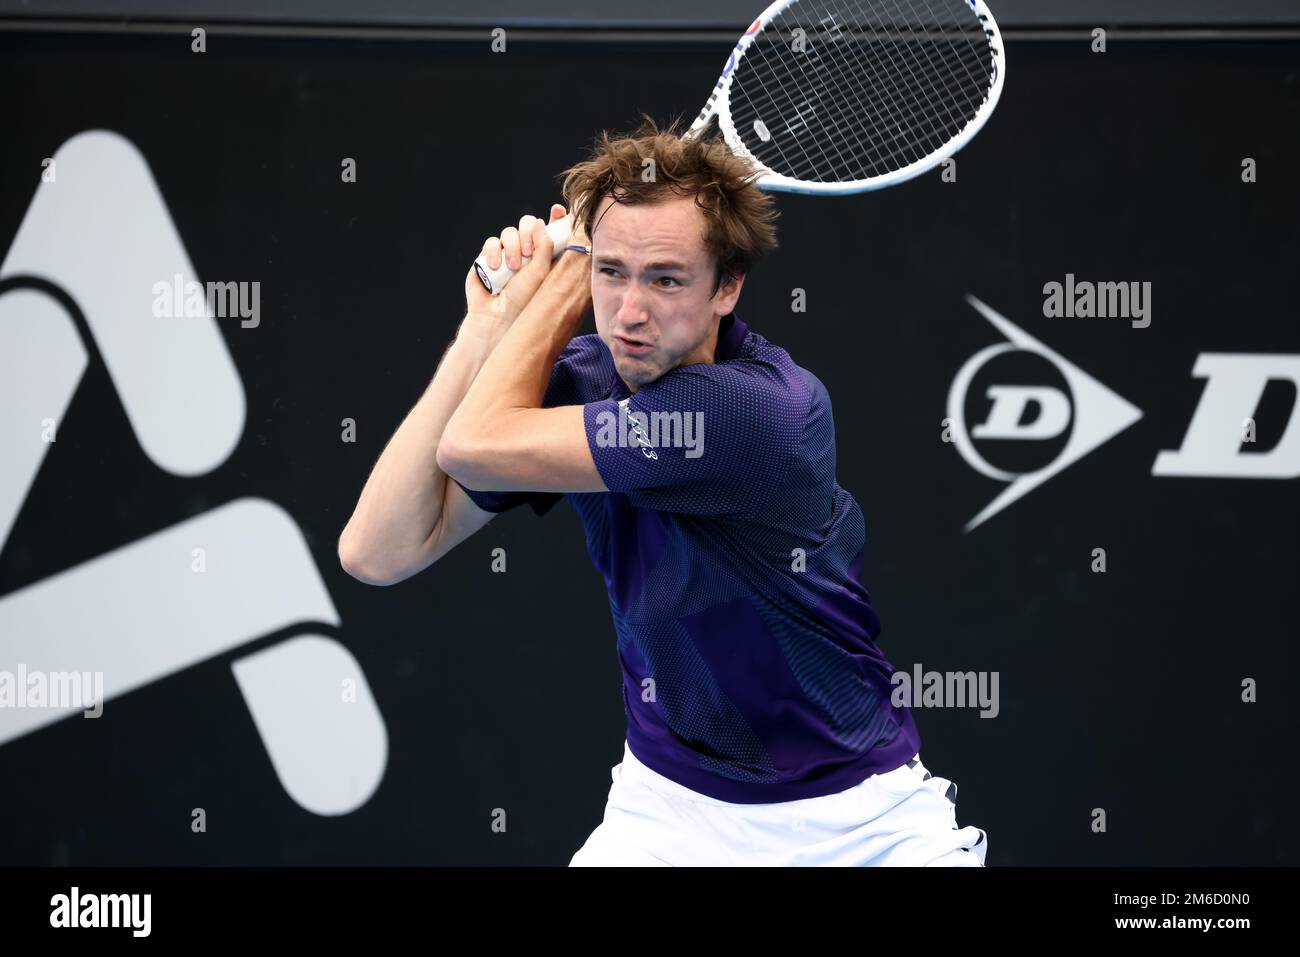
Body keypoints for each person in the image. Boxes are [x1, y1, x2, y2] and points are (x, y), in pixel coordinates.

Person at [339, 116, 987, 866]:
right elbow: (376, 548)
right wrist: (487, 327)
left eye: (666, 278)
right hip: (669, 812)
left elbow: (471, 444)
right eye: (612, 272)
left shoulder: (755, 412)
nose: (631, 310)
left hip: (859, 825)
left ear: (728, 287)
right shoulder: (583, 380)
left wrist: (566, 270)